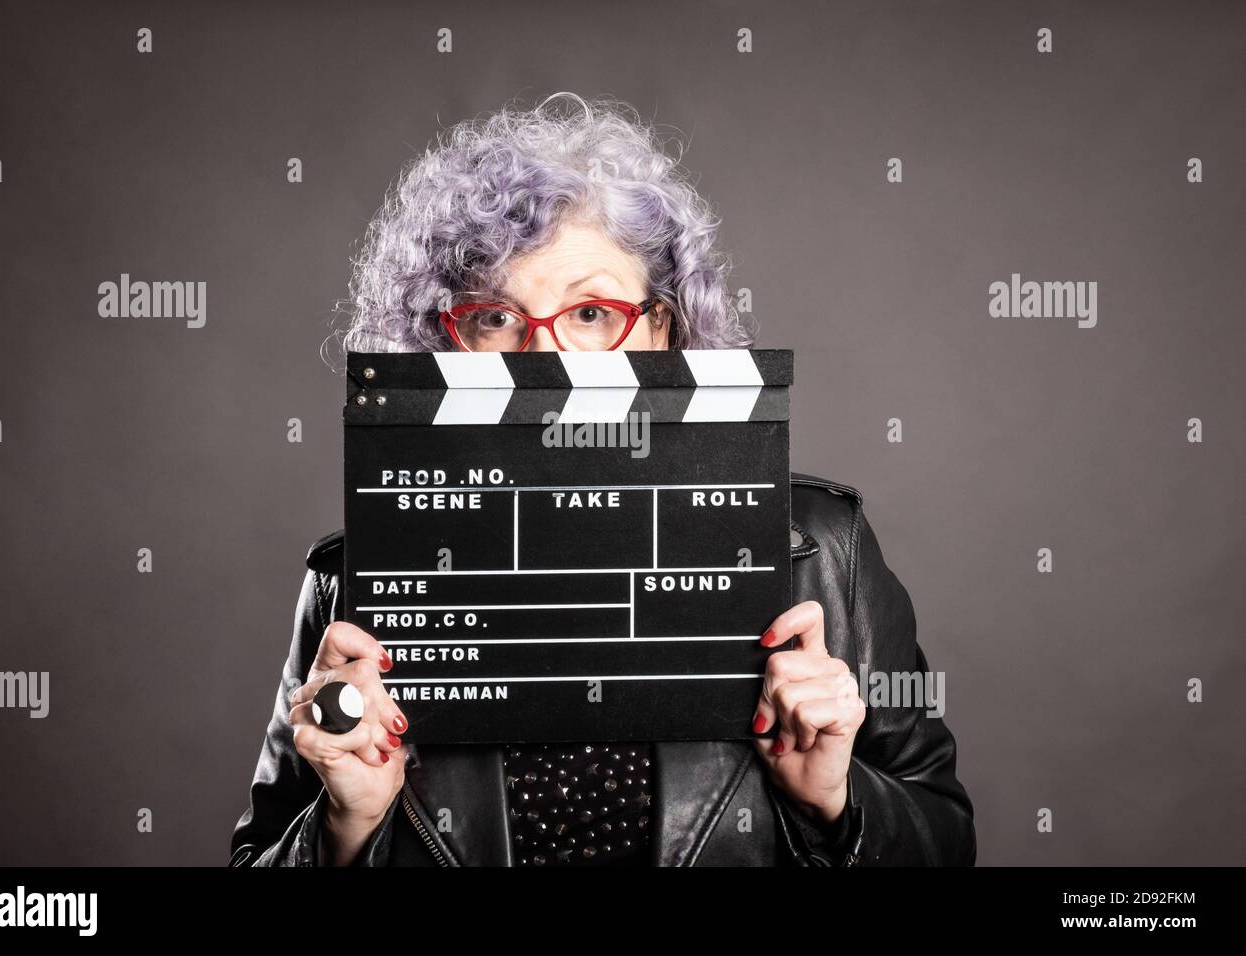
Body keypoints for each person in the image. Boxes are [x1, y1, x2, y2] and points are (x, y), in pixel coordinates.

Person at [230, 92, 975, 867]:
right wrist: (346, 826)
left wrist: (835, 800)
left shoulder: (822, 552)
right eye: (495, 318)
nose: (544, 359)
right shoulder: (352, 584)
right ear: (440, 341)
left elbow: (945, 840)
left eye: (590, 314)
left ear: (664, 326)